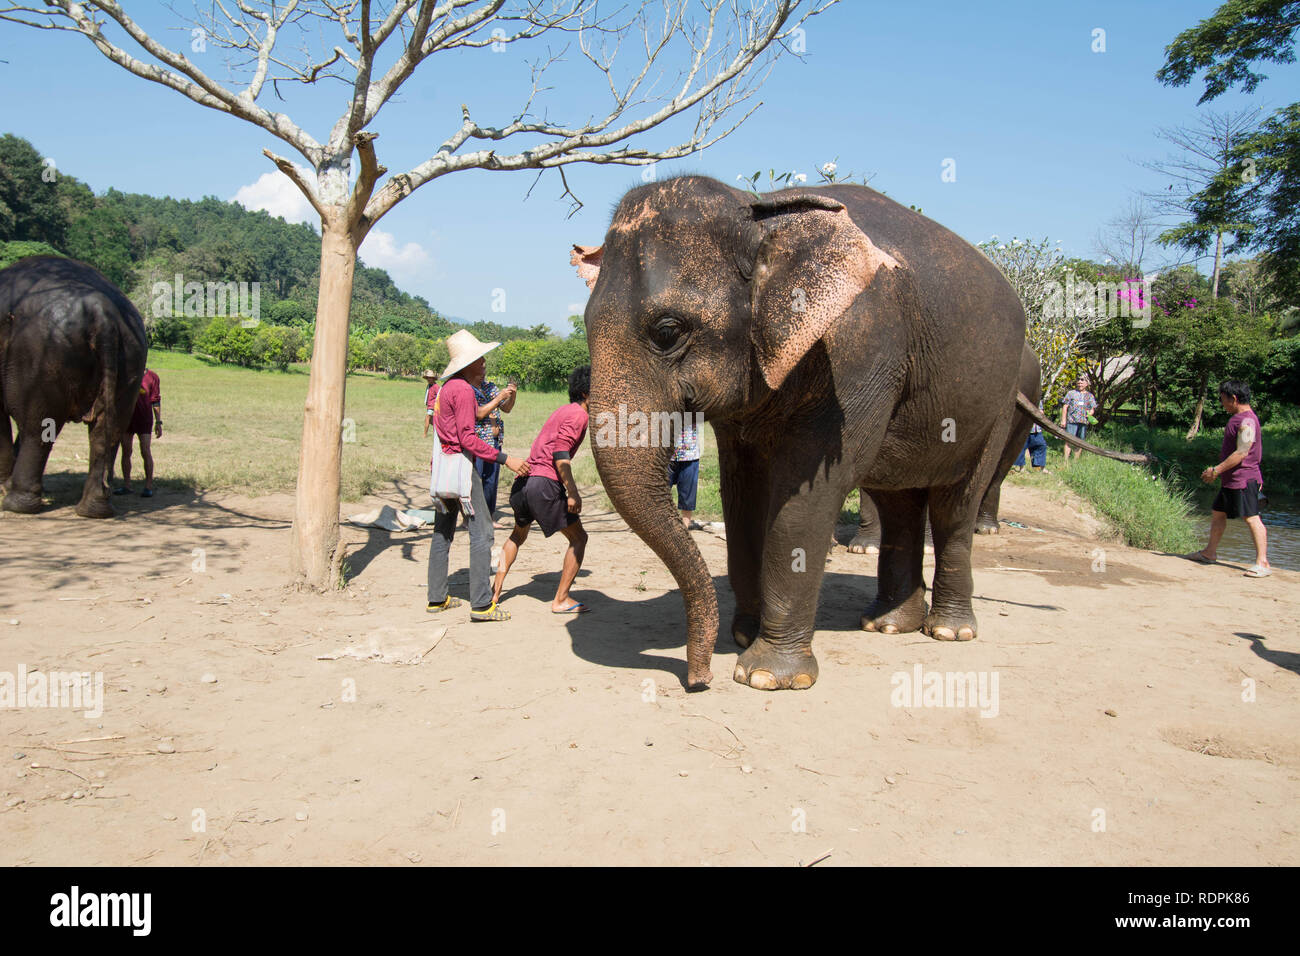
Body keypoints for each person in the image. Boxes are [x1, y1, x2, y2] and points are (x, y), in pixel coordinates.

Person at [427, 331, 529, 621]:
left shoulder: (448, 388)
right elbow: (468, 439)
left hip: (443, 469)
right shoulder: (462, 390)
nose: (484, 362)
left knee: (442, 531)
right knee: (482, 531)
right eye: (478, 359)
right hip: (461, 468)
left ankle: (436, 597)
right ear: (466, 364)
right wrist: (506, 459)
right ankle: (482, 605)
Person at [492, 366, 591, 614]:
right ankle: (561, 600)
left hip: (523, 484)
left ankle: (493, 594)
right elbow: (560, 456)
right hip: (543, 485)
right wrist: (572, 492)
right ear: (585, 393)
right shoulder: (580, 415)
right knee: (579, 539)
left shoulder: (562, 411)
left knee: (517, 536)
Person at [1186, 380, 1270, 577]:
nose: (1221, 403)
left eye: (1223, 399)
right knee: (1218, 512)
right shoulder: (1239, 418)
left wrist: (1216, 470)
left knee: (1251, 518)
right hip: (1231, 479)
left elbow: (1242, 453)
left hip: (1244, 479)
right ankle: (1209, 553)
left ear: (1233, 398)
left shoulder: (1247, 421)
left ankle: (1263, 562)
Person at [471, 374, 518, 528]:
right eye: (480, 366)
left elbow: (506, 408)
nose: (483, 371)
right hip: (478, 442)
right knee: (475, 481)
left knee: (491, 481)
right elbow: (478, 413)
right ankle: (470, 518)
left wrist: (512, 395)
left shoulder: (490, 387)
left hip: (495, 443)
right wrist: (498, 399)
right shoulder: (468, 389)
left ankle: (489, 517)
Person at [113, 368, 161, 497]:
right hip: (127, 419)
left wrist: (158, 422)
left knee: (145, 450)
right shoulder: (125, 374)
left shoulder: (153, 377)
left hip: (144, 419)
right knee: (126, 451)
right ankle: (127, 485)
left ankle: (148, 486)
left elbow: (156, 400)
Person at [669, 413, 702, 527]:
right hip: (666, 456)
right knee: (659, 493)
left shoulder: (694, 404)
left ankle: (684, 528)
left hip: (690, 455)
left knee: (687, 497)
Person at [1060, 374, 1097, 465]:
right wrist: (1063, 420)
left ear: (1087, 383)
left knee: (1080, 442)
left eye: (1082, 380)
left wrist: (1090, 414)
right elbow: (1065, 407)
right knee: (1069, 440)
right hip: (1071, 421)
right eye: (1078, 380)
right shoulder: (1071, 393)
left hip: (1083, 422)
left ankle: (1075, 461)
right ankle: (1065, 462)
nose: (1080, 382)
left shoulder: (1090, 396)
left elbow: (1092, 409)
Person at [1012, 401, 1048, 474]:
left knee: (1041, 445)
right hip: (1024, 429)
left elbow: (1041, 411)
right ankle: (1021, 468)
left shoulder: (1038, 400)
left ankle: (1040, 467)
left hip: (1036, 429)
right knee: (1021, 448)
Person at [421, 369, 439, 437]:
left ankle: (425, 434)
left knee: (427, 418)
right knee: (432, 421)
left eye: (430, 378)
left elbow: (439, 396)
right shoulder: (429, 386)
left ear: (433, 379)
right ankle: (438, 431)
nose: (428, 379)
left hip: (433, 406)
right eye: (427, 378)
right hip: (429, 405)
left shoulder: (436, 387)